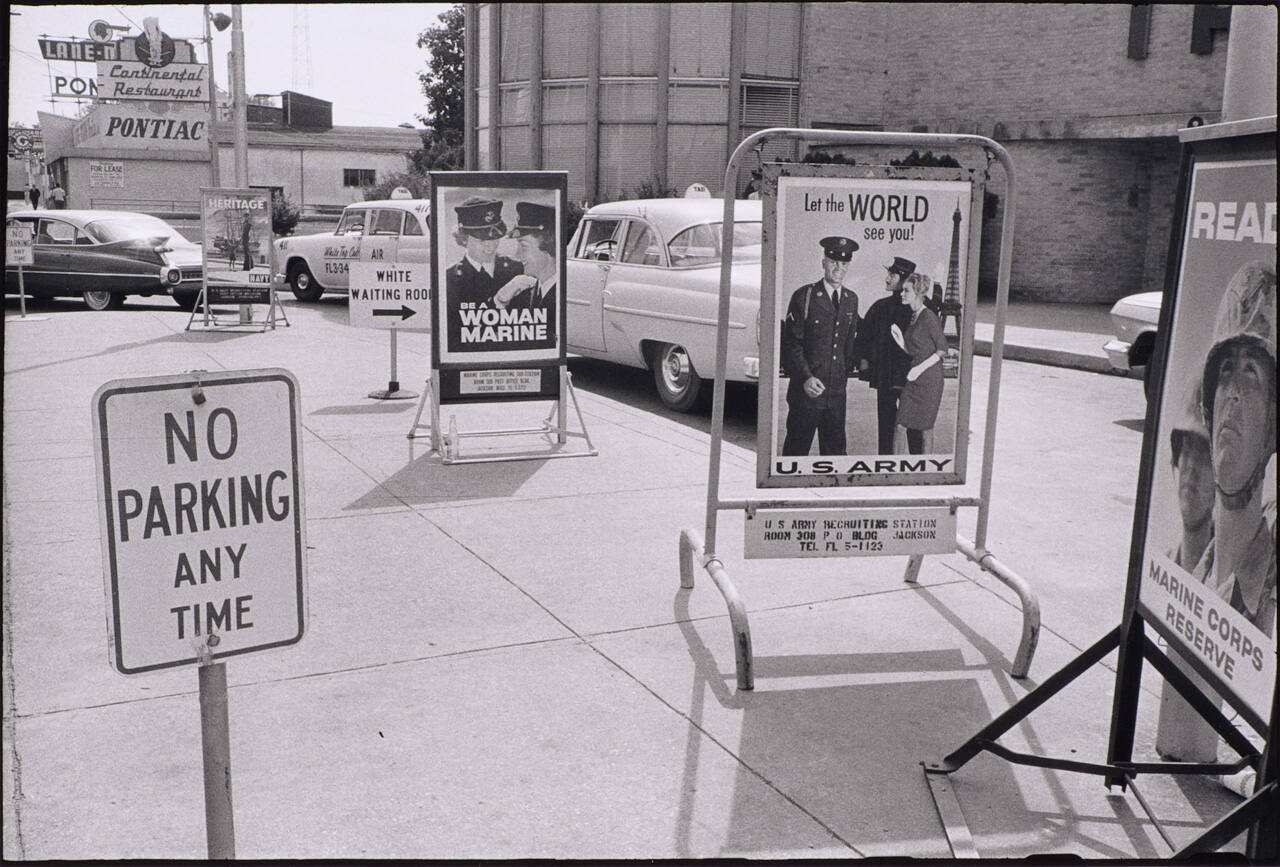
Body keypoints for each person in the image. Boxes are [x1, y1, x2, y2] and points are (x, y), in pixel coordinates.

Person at [1191, 259, 1275, 639]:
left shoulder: (1269, 602)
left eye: (1252, 373)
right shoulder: (1196, 578)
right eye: (1226, 369)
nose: (1234, 393)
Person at [780, 235, 861, 456]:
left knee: (835, 456)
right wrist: (806, 377)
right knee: (795, 453)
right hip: (806, 394)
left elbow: (848, 345)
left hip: (835, 396)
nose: (839, 268)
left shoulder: (851, 299)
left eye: (844, 264)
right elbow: (791, 344)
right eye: (834, 262)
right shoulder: (804, 296)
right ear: (823, 262)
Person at [853, 256, 915, 454]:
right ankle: (916, 461)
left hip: (891, 377)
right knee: (912, 425)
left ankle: (886, 461)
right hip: (907, 376)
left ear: (904, 278)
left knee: (888, 425)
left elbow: (863, 335)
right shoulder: (920, 306)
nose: (887, 279)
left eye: (892, 275)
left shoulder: (881, 307)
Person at [444, 196, 523, 350]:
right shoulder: (450, 279)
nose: (490, 247)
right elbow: (454, 333)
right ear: (464, 239)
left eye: (495, 239)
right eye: (482, 241)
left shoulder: (516, 270)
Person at [892, 272, 947, 454]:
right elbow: (916, 349)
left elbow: (942, 349)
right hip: (914, 377)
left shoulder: (929, 317)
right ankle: (896, 466)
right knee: (900, 424)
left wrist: (919, 369)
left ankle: (926, 469)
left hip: (930, 379)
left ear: (917, 292)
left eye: (906, 290)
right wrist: (901, 342)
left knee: (925, 428)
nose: (902, 293)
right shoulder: (913, 316)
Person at [1167, 381, 1215, 571]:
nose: (1191, 467)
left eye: (1204, 454)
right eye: (1187, 447)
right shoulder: (1166, 563)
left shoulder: (1227, 583)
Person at [494, 201, 556, 314]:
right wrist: (499, 302)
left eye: (523, 246)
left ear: (548, 244)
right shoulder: (526, 293)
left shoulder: (564, 295)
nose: (517, 255)